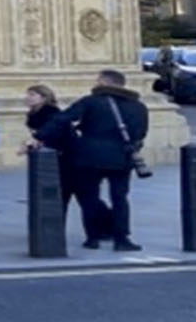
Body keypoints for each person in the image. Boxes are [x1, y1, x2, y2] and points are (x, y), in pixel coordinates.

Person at [49, 69, 149, 251]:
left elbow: (63, 119)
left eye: (98, 81)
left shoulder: (91, 102)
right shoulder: (138, 106)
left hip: (89, 157)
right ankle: (121, 239)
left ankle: (92, 238)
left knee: (89, 198)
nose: (95, 84)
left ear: (105, 83)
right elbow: (140, 133)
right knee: (120, 198)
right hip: (121, 157)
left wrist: (40, 136)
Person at [20, 83, 76, 214]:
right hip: (52, 157)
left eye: (32, 95)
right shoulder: (33, 114)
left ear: (44, 98)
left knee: (70, 193)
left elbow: (54, 134)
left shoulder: (52, 114)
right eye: (28, 94)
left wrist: (35, 142)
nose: (28, 97)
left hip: (66, 157)